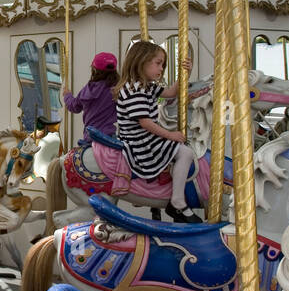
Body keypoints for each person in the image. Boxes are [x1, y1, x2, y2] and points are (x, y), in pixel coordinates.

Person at [114, 40, 205, 224]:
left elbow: (171, 92)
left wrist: (184, 73)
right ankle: (177, 201)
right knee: (185, 152)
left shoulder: (146, 86)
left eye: (162, 64)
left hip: (146, 137)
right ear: (141, 62)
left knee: (183, 150)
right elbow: (145, 122)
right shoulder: (134, 89)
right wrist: (171, 135)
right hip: (139, 141)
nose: (161, 68)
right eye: (157, 63)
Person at [63, 51, 119, 137]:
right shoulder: (117, 90)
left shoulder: (89, 89)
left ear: (94, 70)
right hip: (109, 137)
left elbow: (74, 106)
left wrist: (67, 95)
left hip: (90, 137)